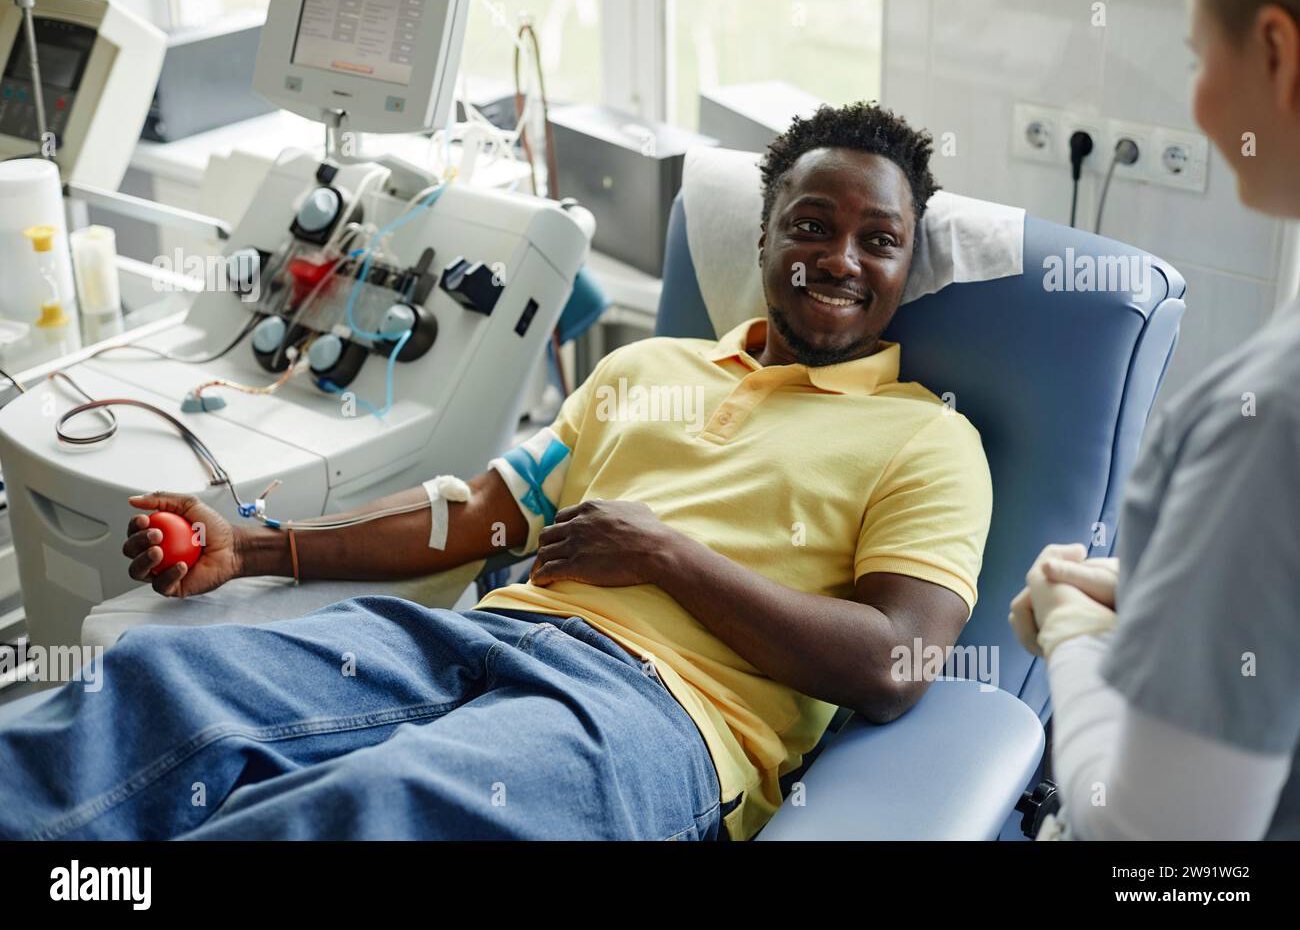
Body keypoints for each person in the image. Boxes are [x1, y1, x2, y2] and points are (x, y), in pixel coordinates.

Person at [0, 102, 992, 842]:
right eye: (813, 224)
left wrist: (664, 557)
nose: (841, 258)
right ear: (768, 231)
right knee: (160, 688)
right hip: (480, 637)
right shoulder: (643, 368)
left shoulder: (927, 438)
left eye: (880, 240)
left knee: (367, 808)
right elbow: (475, 514)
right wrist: (250, 545)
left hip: (658, 716)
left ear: (905, 267)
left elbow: (892, 664)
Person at [1011, 0, 1300, 840]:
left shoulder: (1270, 424)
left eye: (1198, 58)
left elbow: (1161, 852)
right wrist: (1161, 599)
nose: (1200, 106)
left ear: (1279, 55)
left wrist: (1074, 634)